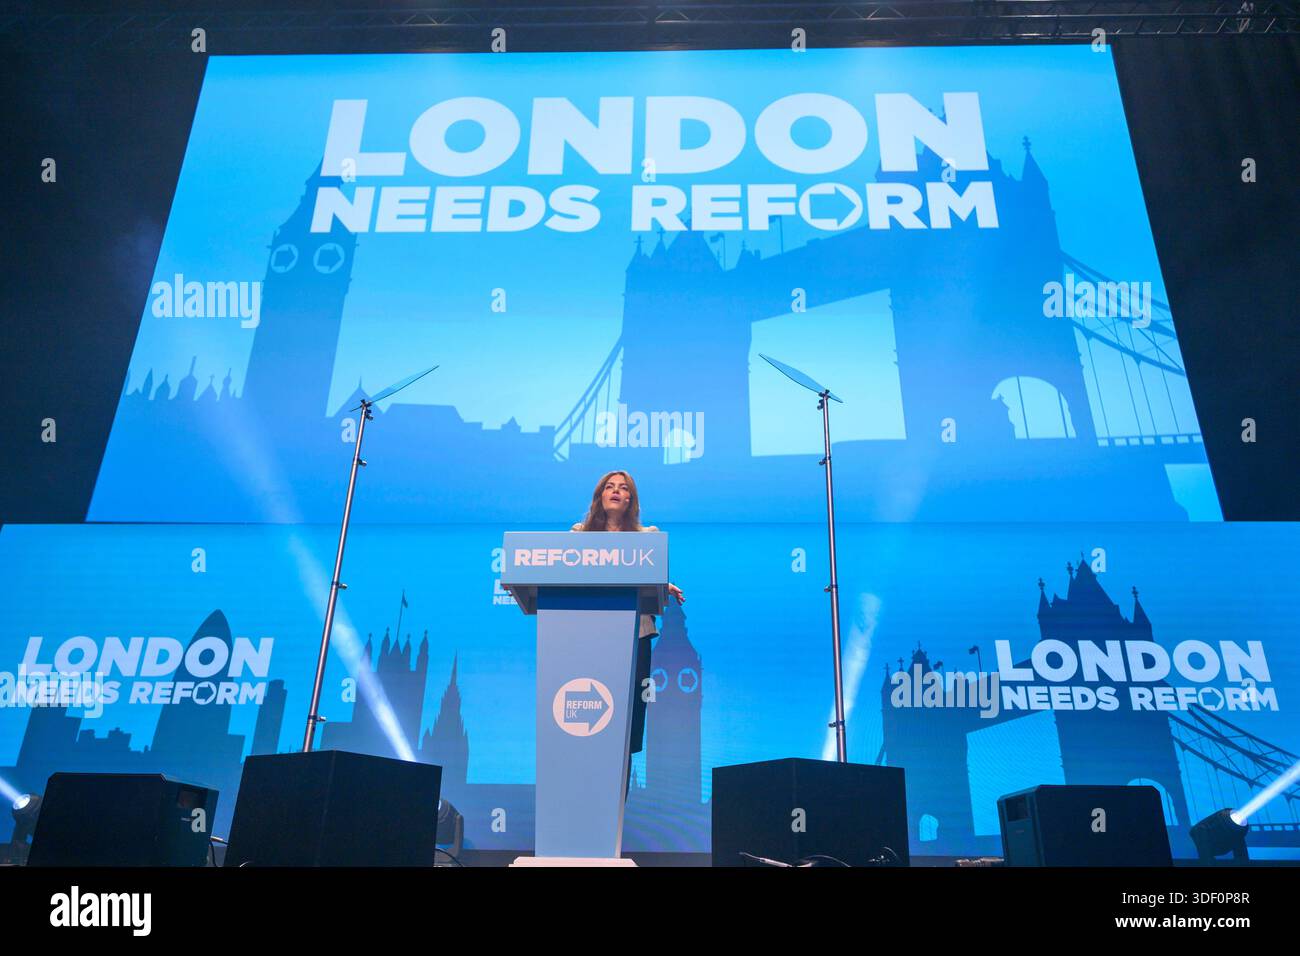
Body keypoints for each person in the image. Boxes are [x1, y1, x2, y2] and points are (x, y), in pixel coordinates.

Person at [571, 470, 684, 760]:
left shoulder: (648, 538)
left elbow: (650, 577)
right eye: (609, 487)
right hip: (590, 640)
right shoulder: (578, 536)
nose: (616, 491)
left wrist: (662, 585)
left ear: (631, 499)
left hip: (636, 637)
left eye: (623, 488)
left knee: (626, 724)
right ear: (600, 496)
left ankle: (618, 797)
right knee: (589, 722)